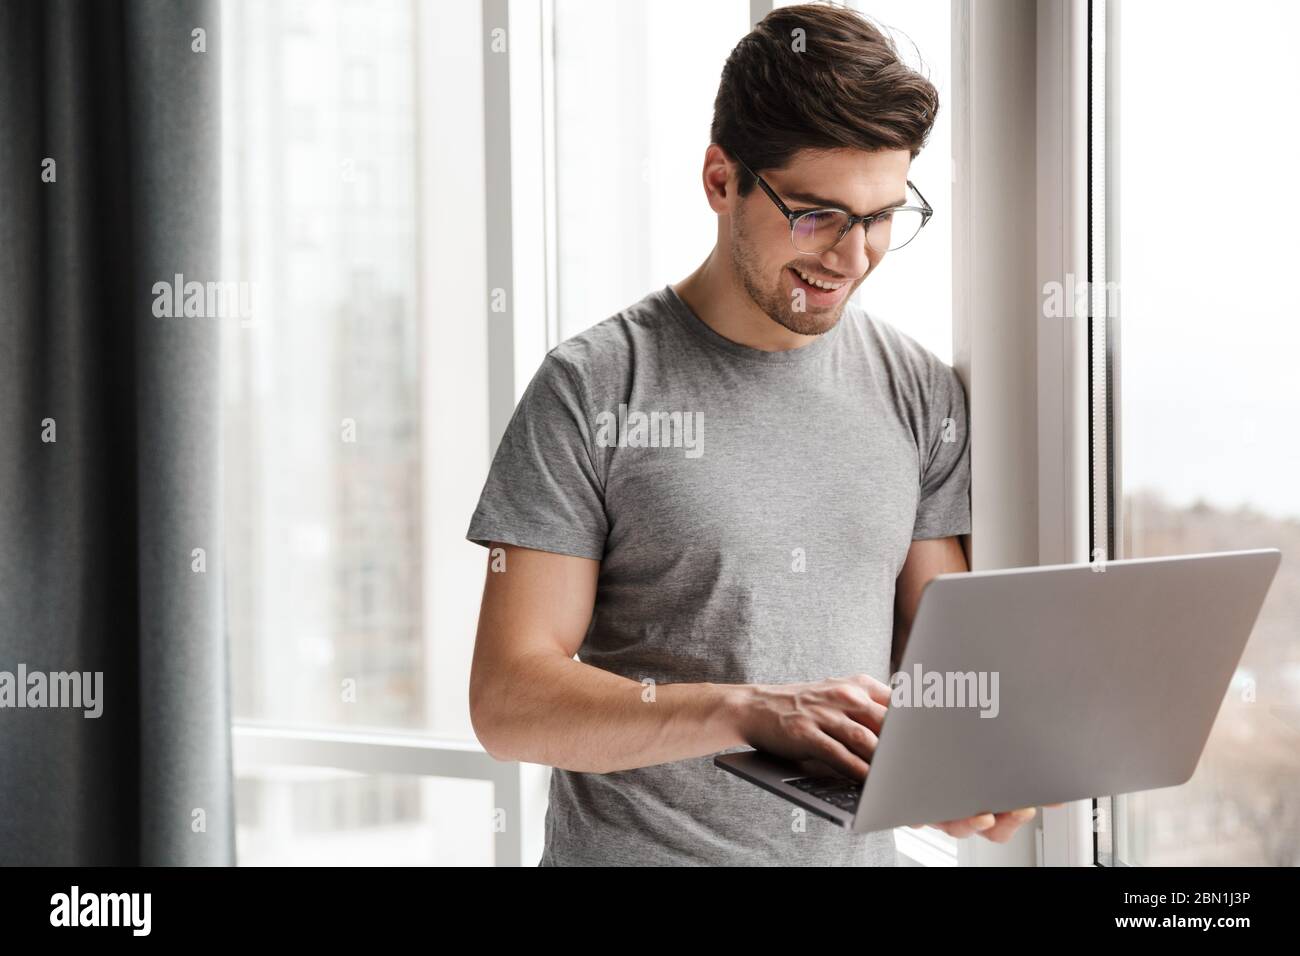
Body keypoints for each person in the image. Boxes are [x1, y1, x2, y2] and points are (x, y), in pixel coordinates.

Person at [466, 2, 1039, 865]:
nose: (852, 258)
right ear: (719, 179)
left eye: (882, 217)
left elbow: (945, 658)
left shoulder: (920, 391)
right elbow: (509, 701)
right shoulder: (593, 387)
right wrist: (743, 709)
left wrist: (979, 762)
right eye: (817, 214)